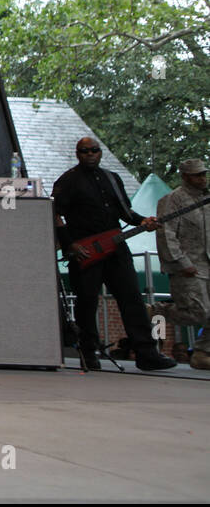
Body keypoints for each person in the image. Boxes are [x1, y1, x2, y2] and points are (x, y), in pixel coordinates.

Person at [53, 137, 176, 371]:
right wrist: (70, 245)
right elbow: (54, 213)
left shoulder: (112, 178)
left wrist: (143, 221)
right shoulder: (68, 181)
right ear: (77, 154)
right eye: (84, 151)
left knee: (131, 297)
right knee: (87, 302)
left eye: (94, 150)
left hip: (116, 246)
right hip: (85, 249)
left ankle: (146, 353)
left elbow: (125, 212)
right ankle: (88, 353)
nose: (90, 154)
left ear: (100, 153)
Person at [154, 157, 210, 370]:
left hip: (207, 263)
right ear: (185, 176)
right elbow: (165, 233)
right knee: (199, 312)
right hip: (187, 265)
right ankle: (158, 312)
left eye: (203, 173)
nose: (202, 178)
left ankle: (203, 353)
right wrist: (179, 262)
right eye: (197, 175)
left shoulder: (206, 200)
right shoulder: (173, 200)